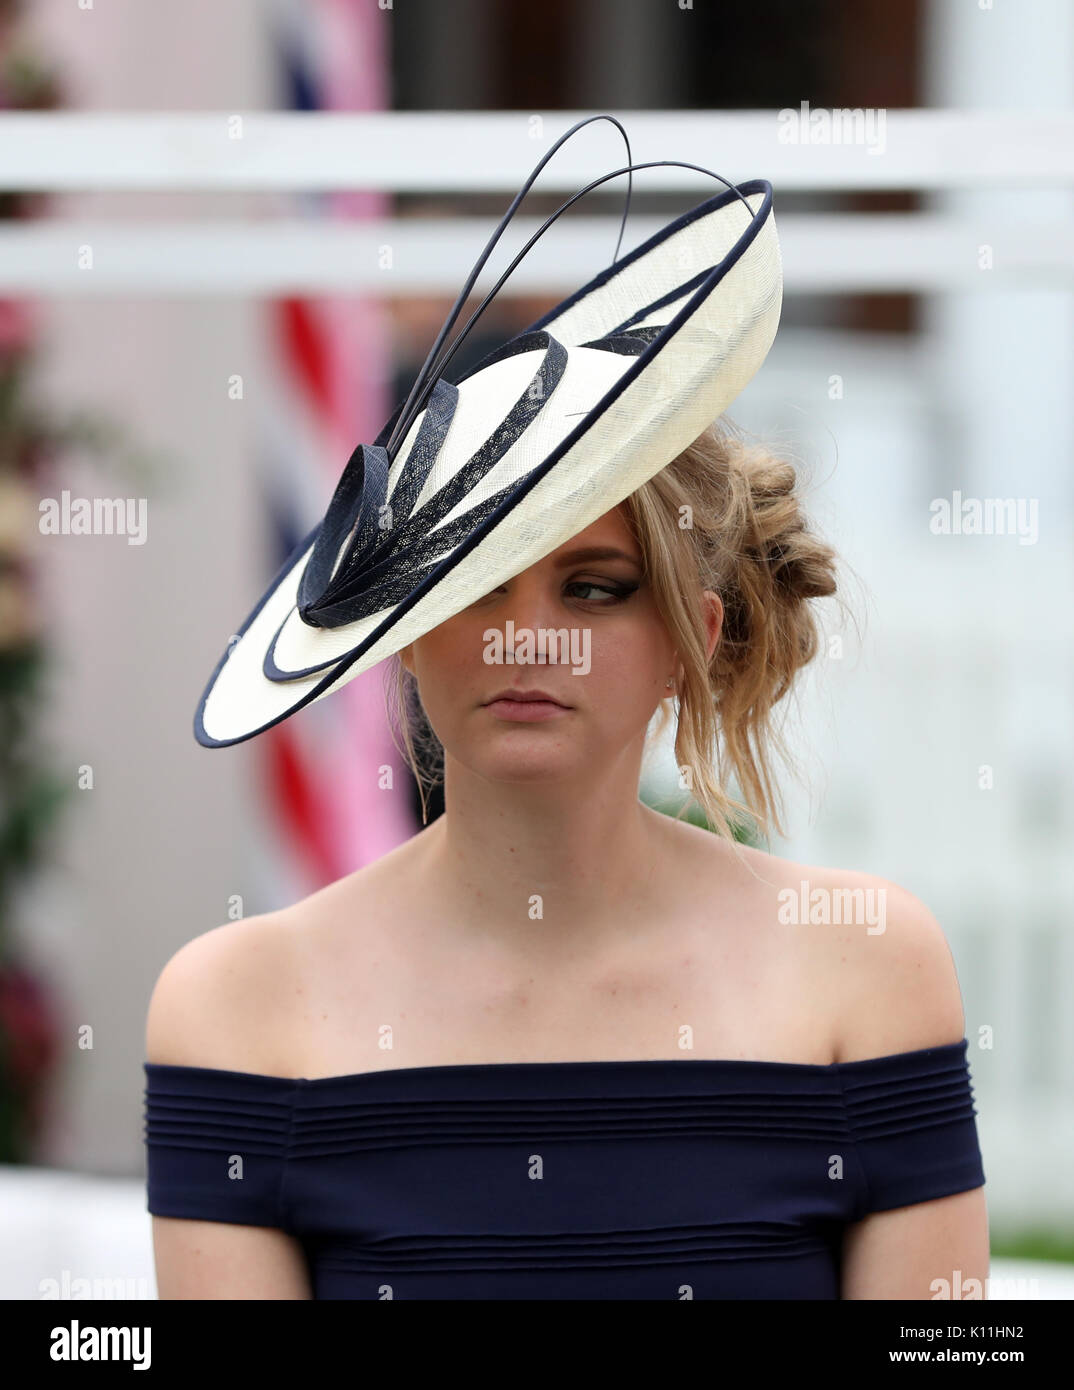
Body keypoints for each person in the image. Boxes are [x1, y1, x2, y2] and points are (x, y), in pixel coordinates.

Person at [144, 416, 988, 1299]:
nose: (527, 636)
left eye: (592, 588)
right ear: (404, 630)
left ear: (691, 639)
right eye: (476, 584)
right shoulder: (239, 1007)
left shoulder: (864, 967)